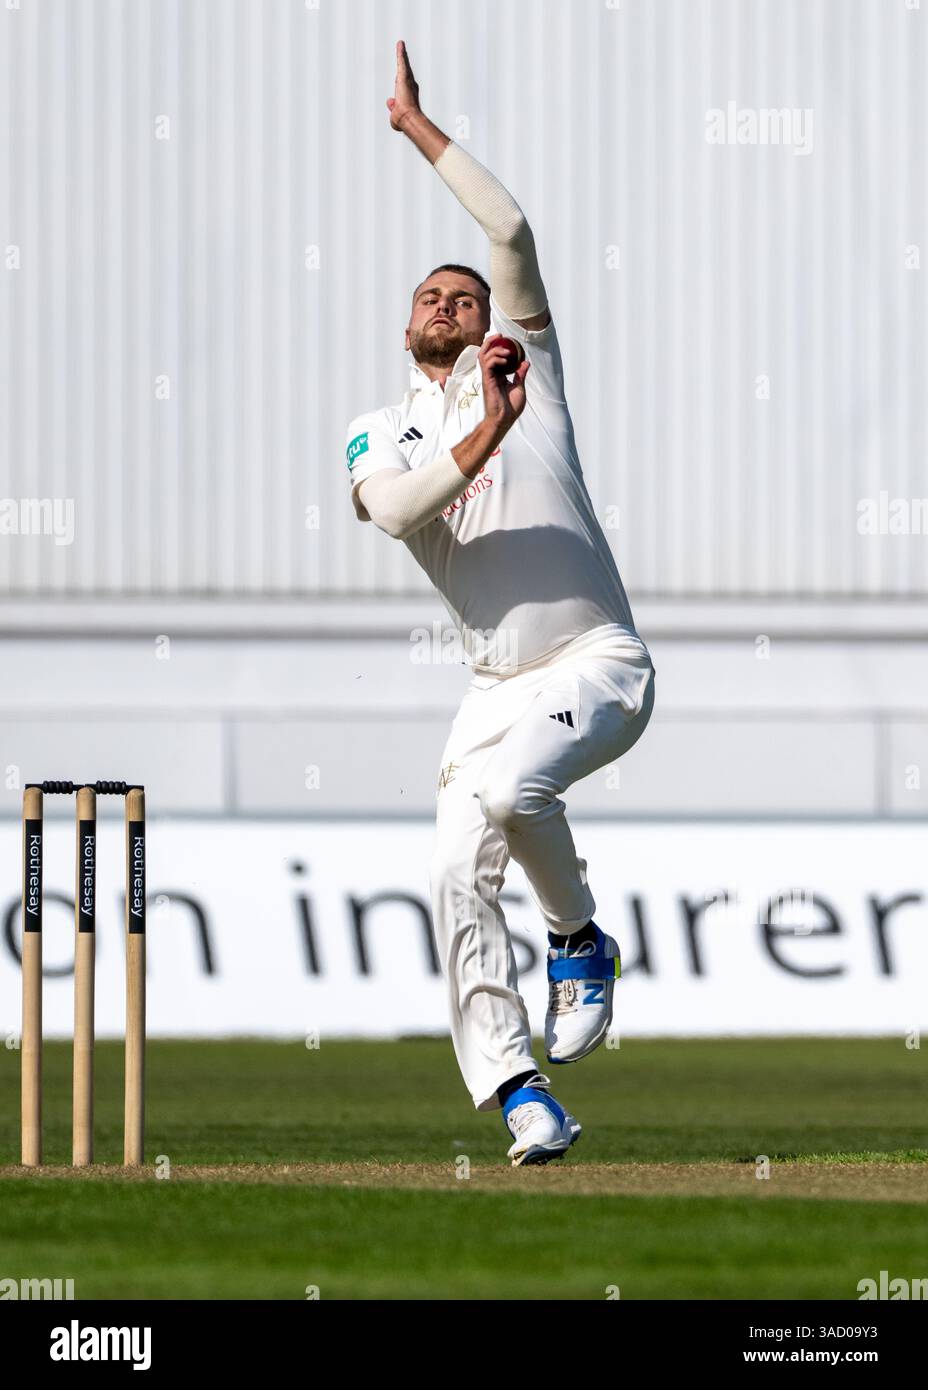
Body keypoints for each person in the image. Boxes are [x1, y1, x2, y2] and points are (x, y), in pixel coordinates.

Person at [345, 41, 655, 1166]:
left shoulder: (524, 365)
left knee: (519, 789)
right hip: (491, 686)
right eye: (431, 297)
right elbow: (392, 511)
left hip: (599, 662)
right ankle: (521, 1090)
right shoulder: (380, 430)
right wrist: (485, 434)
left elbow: (511, 230)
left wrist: (416, 130)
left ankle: (575, 938)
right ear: (408, 329)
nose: (450, 302)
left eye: (465, 298)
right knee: (450, 868)